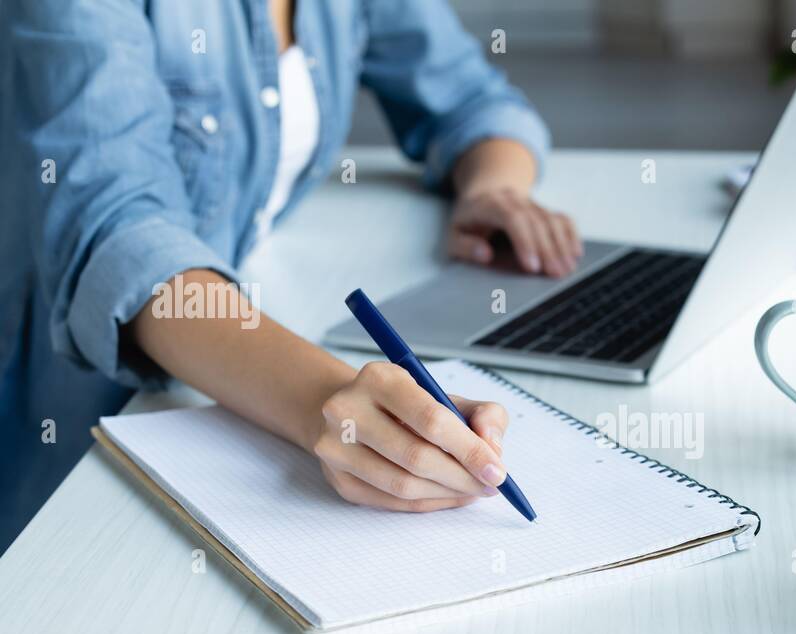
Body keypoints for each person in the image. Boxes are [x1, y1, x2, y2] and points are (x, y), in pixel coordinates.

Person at [0, 0, 582, 552]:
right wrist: (325, 399)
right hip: (60, 424)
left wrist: (492, 188)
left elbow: (470, 98)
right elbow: (118, 240)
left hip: (220, 385)